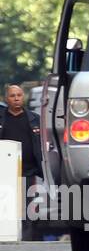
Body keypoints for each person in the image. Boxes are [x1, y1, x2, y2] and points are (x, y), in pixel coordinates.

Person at [2, 84, 42, 241]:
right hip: (5, 173)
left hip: (28, 171)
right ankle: (8, 237)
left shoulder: (34, 119)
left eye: (19, 95)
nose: (16, 98)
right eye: (12, 95)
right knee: (7, 207)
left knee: (28, 208)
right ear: (7, 99)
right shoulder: (2, 119)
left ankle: (27, 240)